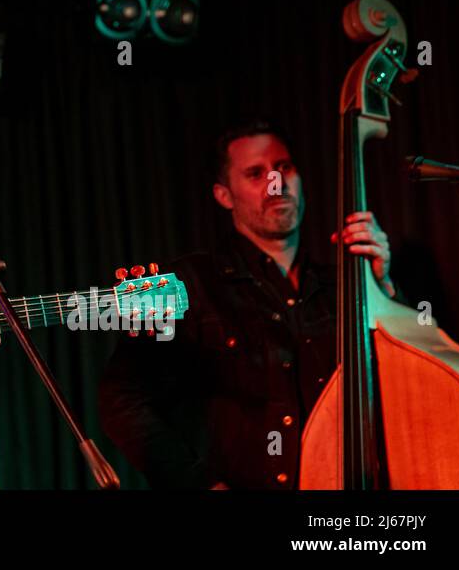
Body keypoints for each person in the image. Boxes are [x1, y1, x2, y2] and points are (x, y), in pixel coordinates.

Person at [98, 120, 396, 489]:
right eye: (255, 174)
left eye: (283, 167)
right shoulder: (189, 283)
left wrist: (383, 288)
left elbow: (402, 384)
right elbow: (120, 400)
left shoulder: (344, 284)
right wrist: (197, 483)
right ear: (224, 195)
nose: (276, 183)